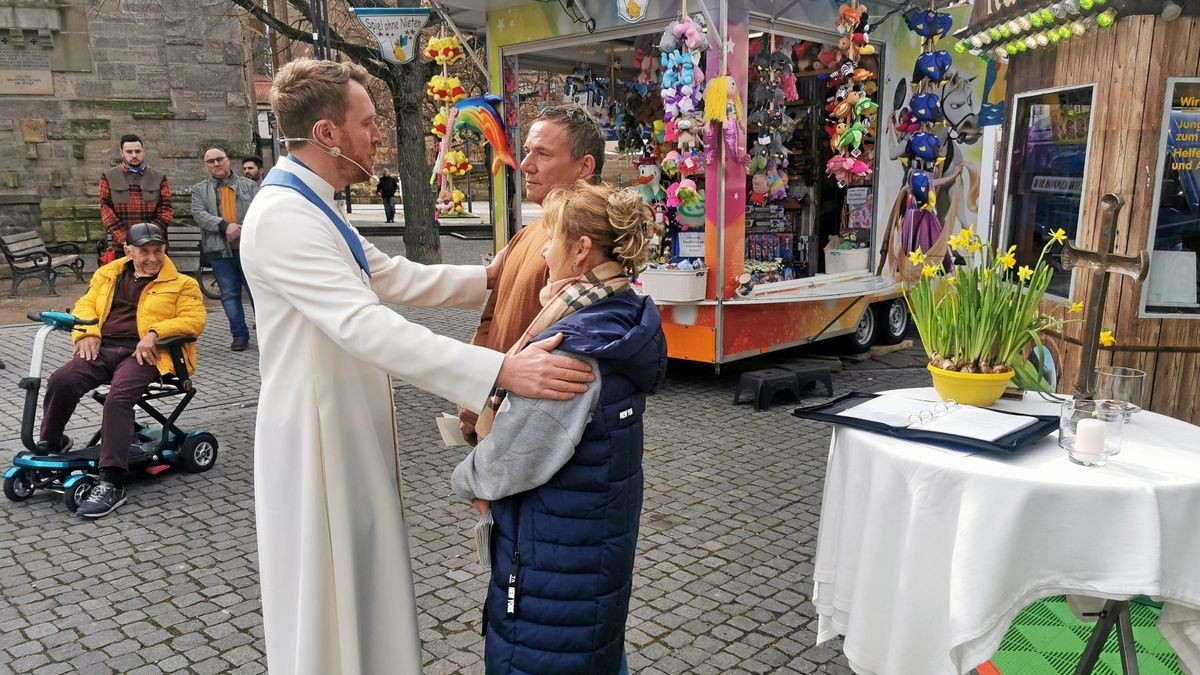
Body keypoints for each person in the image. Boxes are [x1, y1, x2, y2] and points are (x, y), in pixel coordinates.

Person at [240, 58, 595, 675]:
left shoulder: (314, 201)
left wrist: (491, 277)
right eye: (367, 122)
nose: (378, 135)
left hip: (344, 419)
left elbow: (388, 275)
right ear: (328, 135)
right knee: (328, 586)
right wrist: (499, 371)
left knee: (363, 572)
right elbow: (364, 323)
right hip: (315, 430)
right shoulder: (283, 217)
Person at [452, 181, 666, 674]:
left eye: (550, 238)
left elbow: (514, 458)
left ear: (580, 249)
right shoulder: (620, 314)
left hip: (550, 560)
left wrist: (466, 479)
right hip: (589, 542)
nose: (544, 251)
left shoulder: (572, 345)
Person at [458, 104, 606, 445]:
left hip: (536, 436)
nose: (525, 165)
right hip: (497, 414)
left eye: (543, 153)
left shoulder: (591, 248)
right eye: (527, 152)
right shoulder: (528, 233)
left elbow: (569, 363)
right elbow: (490, 321)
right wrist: (472, 389)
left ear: (585, 167)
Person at [37, 222, 206, 518]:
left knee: (118, 399)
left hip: (148, 355)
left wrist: (155, 333)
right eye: (144, 251)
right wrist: (86, 333)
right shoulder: (108, 274)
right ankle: (52, 442)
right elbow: (85, 306)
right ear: (128, 251)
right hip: (103, 348)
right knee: (62, 379)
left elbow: (194, 320)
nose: (153, 258)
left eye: (158, 250)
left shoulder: (182, 283)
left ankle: (112, 481)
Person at [190, 148, 259, 351]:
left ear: (228, 161)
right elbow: (198, 213)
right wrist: (224, 226)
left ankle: (266, 332)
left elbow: (259, 209)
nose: (216, 164)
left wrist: (240, 228)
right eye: (211, 161)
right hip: (219, 251)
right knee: (229, 294)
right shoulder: (199, 190)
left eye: (220, 159)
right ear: (206, 165)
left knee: (258, 292)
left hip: (248, 249)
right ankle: (239, 335)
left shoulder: (249, 185)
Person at [99, 134, 173, 247]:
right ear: (122, 153)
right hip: (122, 246)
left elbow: (166, 211)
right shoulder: (108, 177)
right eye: (129, 152)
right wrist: (126, 239)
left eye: (138, 151)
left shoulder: (159, 177)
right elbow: (106, 211)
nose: (134, 155)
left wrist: (149, 237)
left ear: (143, 151)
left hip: (154, 245)